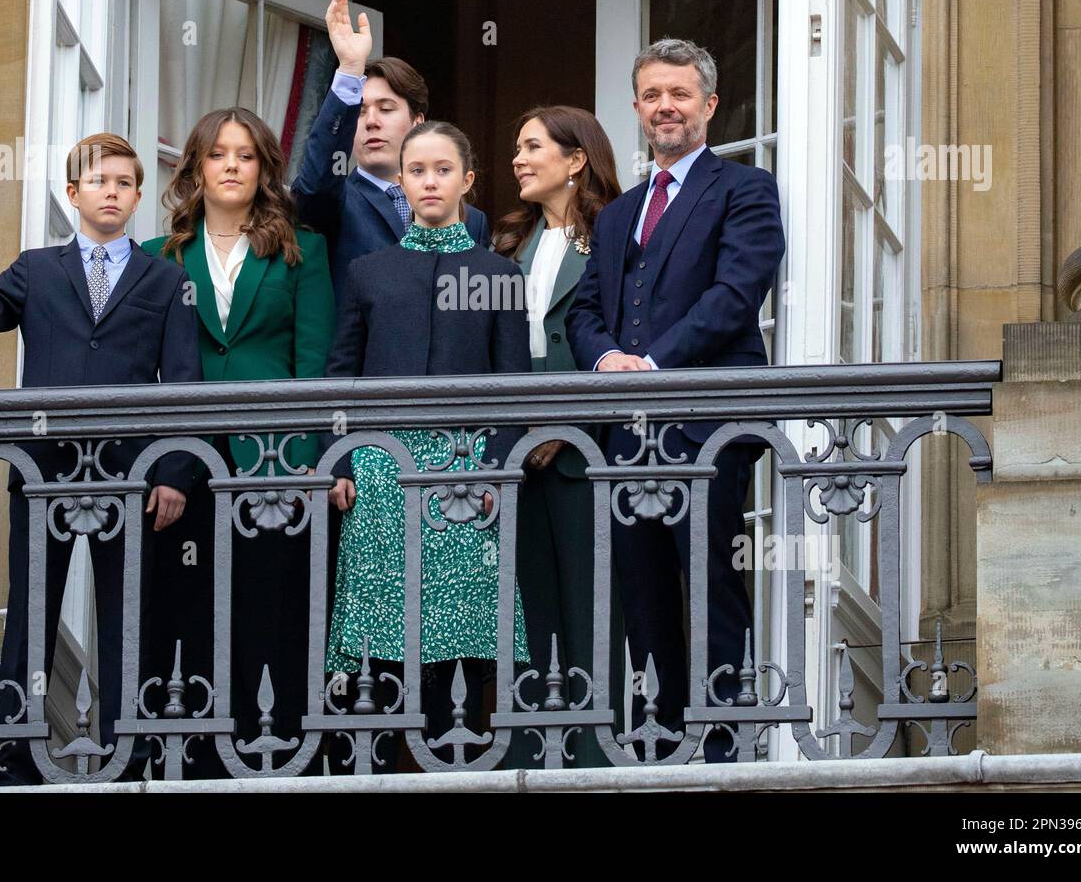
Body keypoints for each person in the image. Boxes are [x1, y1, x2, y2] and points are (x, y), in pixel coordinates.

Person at [0, 135, 202, 784]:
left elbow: (187, 382)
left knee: (122, 604)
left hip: (128, 470)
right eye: (97, 179)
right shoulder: (36, 268)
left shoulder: (166, 277)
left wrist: (173, 474)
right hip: (43, 467)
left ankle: (124, 745)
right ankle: (19, 745)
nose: (111, 190)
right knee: (32, 602)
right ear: (72, 192)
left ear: (138, 197)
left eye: (124, 182)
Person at [565, 38, 785, 762]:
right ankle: (657, 742)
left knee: (710, 582)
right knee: (643, 591)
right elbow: (584, 309)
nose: (665, 106)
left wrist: (652, 362)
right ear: (635, 107)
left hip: (707, 426)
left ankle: (724, 746)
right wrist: (605, 357)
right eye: (652, 95)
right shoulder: (621, 209)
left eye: (680, 94)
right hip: (625, 434)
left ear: (709, 105)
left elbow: (733, 297)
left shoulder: (746, 189)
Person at [324, 120, 530, 769]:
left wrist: (498, 472)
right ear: (402, 180)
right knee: (386, 634)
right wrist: (341, 459)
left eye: (444, 169)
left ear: (467, 180)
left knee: (464, 635)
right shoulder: (367, 272)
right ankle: (387, 769)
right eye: (417, 170)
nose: (430, 180)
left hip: (468, 476)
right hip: (381, 469)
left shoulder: (499, 273)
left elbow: (514, 386)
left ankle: (459, 768)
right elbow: (340, 376)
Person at [142, 108, 334, 776]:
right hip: (183, 459)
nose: (230, 165)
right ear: (195, 168)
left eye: (245, 155)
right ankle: (193, 756)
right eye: (217, 154)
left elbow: (314, 360)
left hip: (276, 454)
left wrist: (313, 460)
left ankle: (277, 750)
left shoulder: (301, 250)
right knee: (187, 604)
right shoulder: (156, 258)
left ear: (264, 170)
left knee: (270, 604)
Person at [493, 105, 625, 769]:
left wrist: (563, 421)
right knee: (524, 618)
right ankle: (527, 760)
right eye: (517, 147)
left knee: (592, 615)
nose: (518, 158)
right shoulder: (505, 248)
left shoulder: (614, 238)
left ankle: (600, 763)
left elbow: (614, 343)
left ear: (576, 159)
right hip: (518, 459)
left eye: (533, 146)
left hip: (588, 456)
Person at [292, 0, 491, 300]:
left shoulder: (472, 219)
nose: (371, 121)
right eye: (359, 111)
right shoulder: (337, 200)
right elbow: (314, 185)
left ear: (417, 122)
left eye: (386, 109)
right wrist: (348, 71)